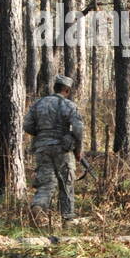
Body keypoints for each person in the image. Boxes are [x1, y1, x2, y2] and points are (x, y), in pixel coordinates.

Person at [24, 75, 85, 223]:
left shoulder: (38, 104)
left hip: (42, 148)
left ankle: (38, 206)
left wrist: (42, 135)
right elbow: (78, 129)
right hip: (62, 149)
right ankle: (68, 220)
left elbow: (27, 125)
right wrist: (78, 150)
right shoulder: (69, 105)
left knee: (46, 183)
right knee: (66, 183)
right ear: (66, 89)